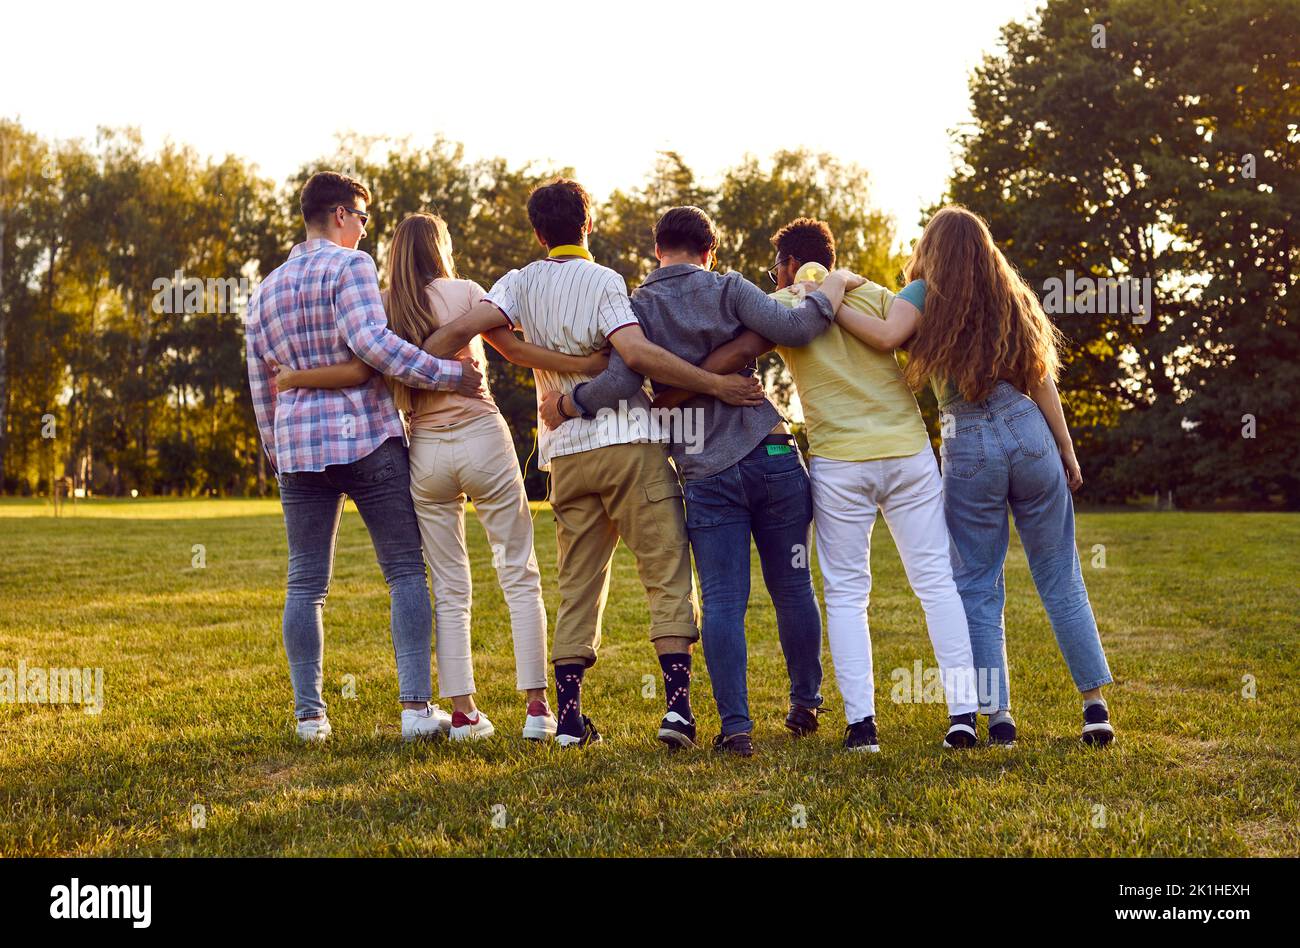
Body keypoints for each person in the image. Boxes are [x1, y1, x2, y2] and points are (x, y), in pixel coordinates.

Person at [421, 179, 765, 749]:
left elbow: (465, 334)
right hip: (629, 443)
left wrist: (405, 363)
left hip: (566, 454)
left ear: (537, 232)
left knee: (576, 583)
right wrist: (714, 384)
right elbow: (634, 356)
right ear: (589, 224)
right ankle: (677, 712)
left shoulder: (515, 283)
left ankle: (571, 720)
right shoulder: (606, 280)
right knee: (665, 573)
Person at [273, 212, 611, 742]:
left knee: (450, 588)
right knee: (518, 572)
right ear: (442, 248)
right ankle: (537, 710)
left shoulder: (384, 305)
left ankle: (463, 714)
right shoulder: (467, 292)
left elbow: (367, 366)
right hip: (482, 437)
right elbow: (515, 350)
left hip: (425, 451)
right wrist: (586, 362)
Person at [650, 217, 981, 752]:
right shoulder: (875, 294)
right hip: (908, 453)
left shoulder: (782, 308)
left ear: (787, 265)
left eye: (773, 268)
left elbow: (735, 354)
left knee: (849, 594)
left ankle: (862, 727)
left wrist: (669, 392)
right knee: (936, 583)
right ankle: (964, 715)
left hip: (840, 461)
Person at [547, 206, 864, 757]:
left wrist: (571, 402)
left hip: (705, 470)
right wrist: (831, 283)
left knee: (721, 600)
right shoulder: (728, 288)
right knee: (793, 584)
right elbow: (798, 327)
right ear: (710, 250)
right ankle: (805, 701)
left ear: (657, 251)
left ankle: (736, 727)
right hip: (770, 451)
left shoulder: (638, 306)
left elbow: (622, 379)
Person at [830, 205, 1115, 747]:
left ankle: (998, 715)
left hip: (968, 445)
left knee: (978, 586)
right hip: (1029, 432)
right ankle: (1095, 708)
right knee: (1062, 576)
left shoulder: (921, 295)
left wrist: (834, 302)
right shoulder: (1010, 293)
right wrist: (1066, 448)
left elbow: (886, 337)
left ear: (931, 248)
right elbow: (1040, 379)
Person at [245, 171, 482, 743]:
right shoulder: (351, 266)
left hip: (300, 448)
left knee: (305, 583)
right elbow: (371, 345)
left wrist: (277, 451)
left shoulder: (266, 289)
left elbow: (260, 383)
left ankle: (310, 716)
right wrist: (450, 374)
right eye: (364, 217)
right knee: (404, 572)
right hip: (366, 439)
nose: (366, 229)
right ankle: (414, 709)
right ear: (342, 215)